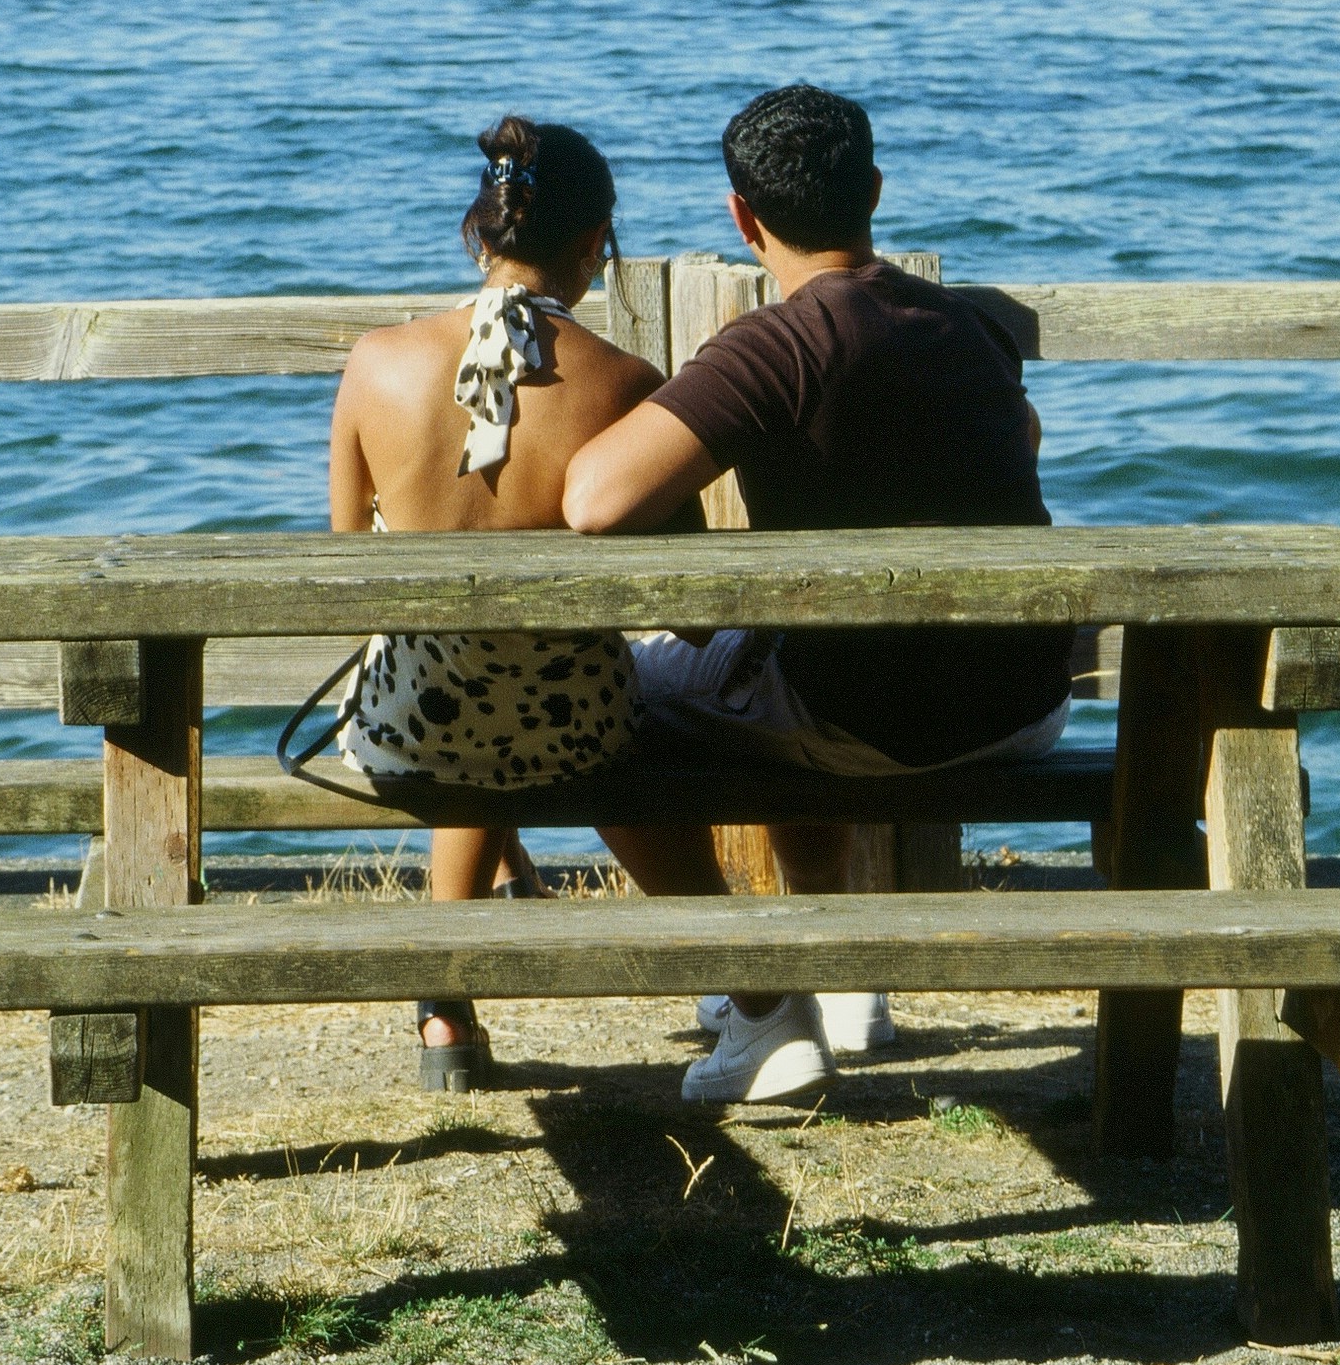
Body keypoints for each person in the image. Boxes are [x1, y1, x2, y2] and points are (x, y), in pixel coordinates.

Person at [563, 81, 1072, 1108]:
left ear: (742, 219)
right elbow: (1021, 443)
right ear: (874, 189)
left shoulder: (777, 344)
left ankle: (765, 1011)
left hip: (865, 718)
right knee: (779, 664)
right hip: (1025, 703)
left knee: (590, 705)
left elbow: (594, 496)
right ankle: (843, 978)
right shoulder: (967, 327)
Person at [316, 112, 664, 1089]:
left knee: (458, 670)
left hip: (406, 728)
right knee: (528, 672)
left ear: (481, 226)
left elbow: (347, 566)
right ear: (596, 242)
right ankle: (732, 977)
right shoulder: (629, 382)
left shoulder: (373, 361)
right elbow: (668, 579)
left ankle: (443, 1010)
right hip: (578, 727)